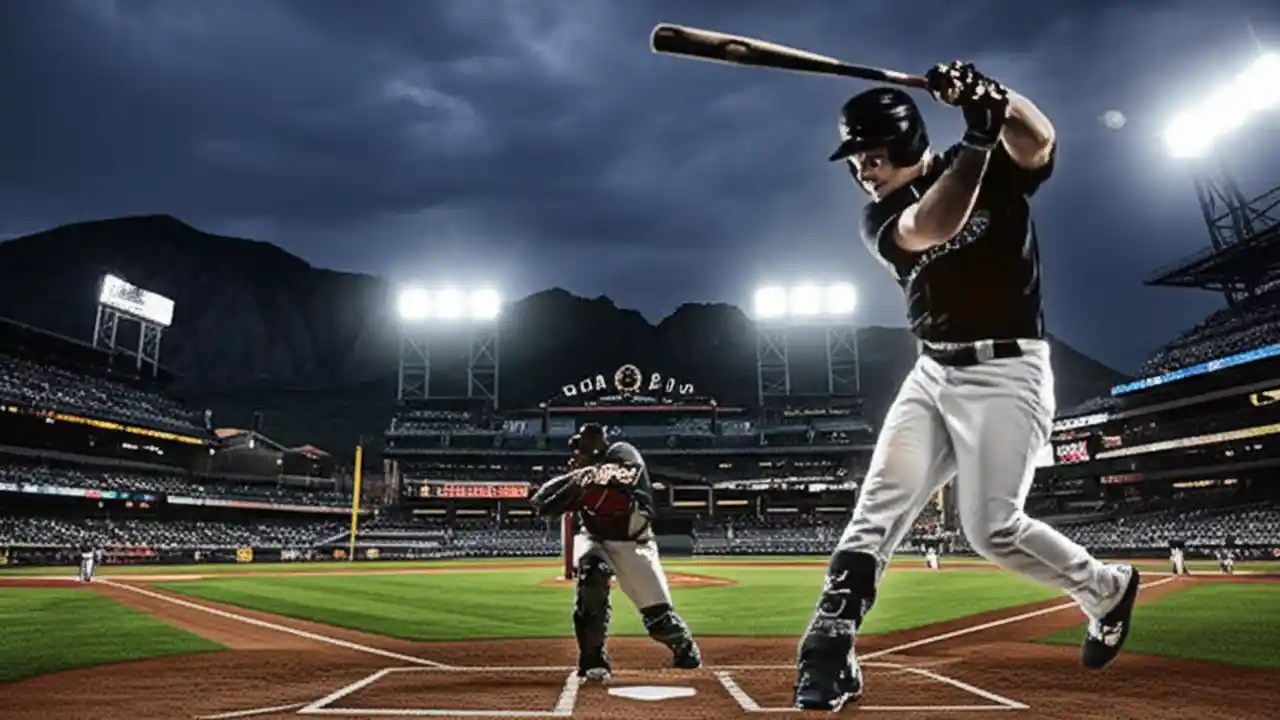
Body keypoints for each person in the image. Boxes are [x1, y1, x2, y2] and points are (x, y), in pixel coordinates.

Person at [792, 62, 1141, 712]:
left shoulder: (989, 161)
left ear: (903, 142)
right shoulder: (882, 218)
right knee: (877, 508)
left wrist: (996, 98)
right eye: (856, 161)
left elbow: (1039, 141)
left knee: (991, 528)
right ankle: (827, 648)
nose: (863, 171)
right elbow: (933, 226)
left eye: (872, 156)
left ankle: (1107, 589)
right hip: (932, 372)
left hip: (1009, 373)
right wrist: (978, 137)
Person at [530, 423, 701, 683]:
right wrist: (579, 481)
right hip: (594, 538)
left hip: (635, 543)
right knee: (591, 578)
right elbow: (549, 503)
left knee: (660, 619)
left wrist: (589, 475)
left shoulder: (623, 452)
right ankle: (592, 659)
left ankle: (684, 646)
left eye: (581, 449)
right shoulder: (578, 478)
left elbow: (627, 475)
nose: (576, 455)